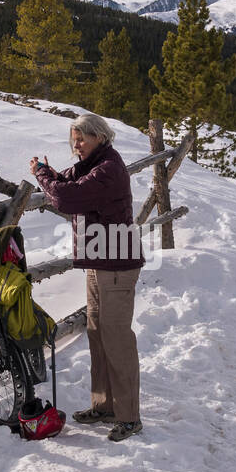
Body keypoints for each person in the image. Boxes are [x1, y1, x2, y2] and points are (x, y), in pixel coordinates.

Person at [30, 112, 145, 441]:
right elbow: (66, 181)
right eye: (73, 139)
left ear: (100, 137)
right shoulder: (92, 164)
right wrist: (48, 172)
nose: (76, 145)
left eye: (81, 139)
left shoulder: (107, 169)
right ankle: (104, 405)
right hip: (100, 261)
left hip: (117, 263)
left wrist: (43, 177)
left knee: (117, 338)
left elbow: (66, 196)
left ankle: (129, 416)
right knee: (97, 332)